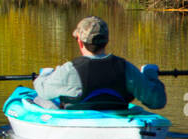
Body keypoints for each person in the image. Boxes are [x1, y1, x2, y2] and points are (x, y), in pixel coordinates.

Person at [32, 16, 166, 111]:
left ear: (80, 41)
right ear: (106, 41)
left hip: (78, 123)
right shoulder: (125, 68)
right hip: (117, 120)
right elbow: (157, 102)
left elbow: (42, 91)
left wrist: (44, 75)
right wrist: (150, 75)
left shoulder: (70, 69)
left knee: (38, 99)